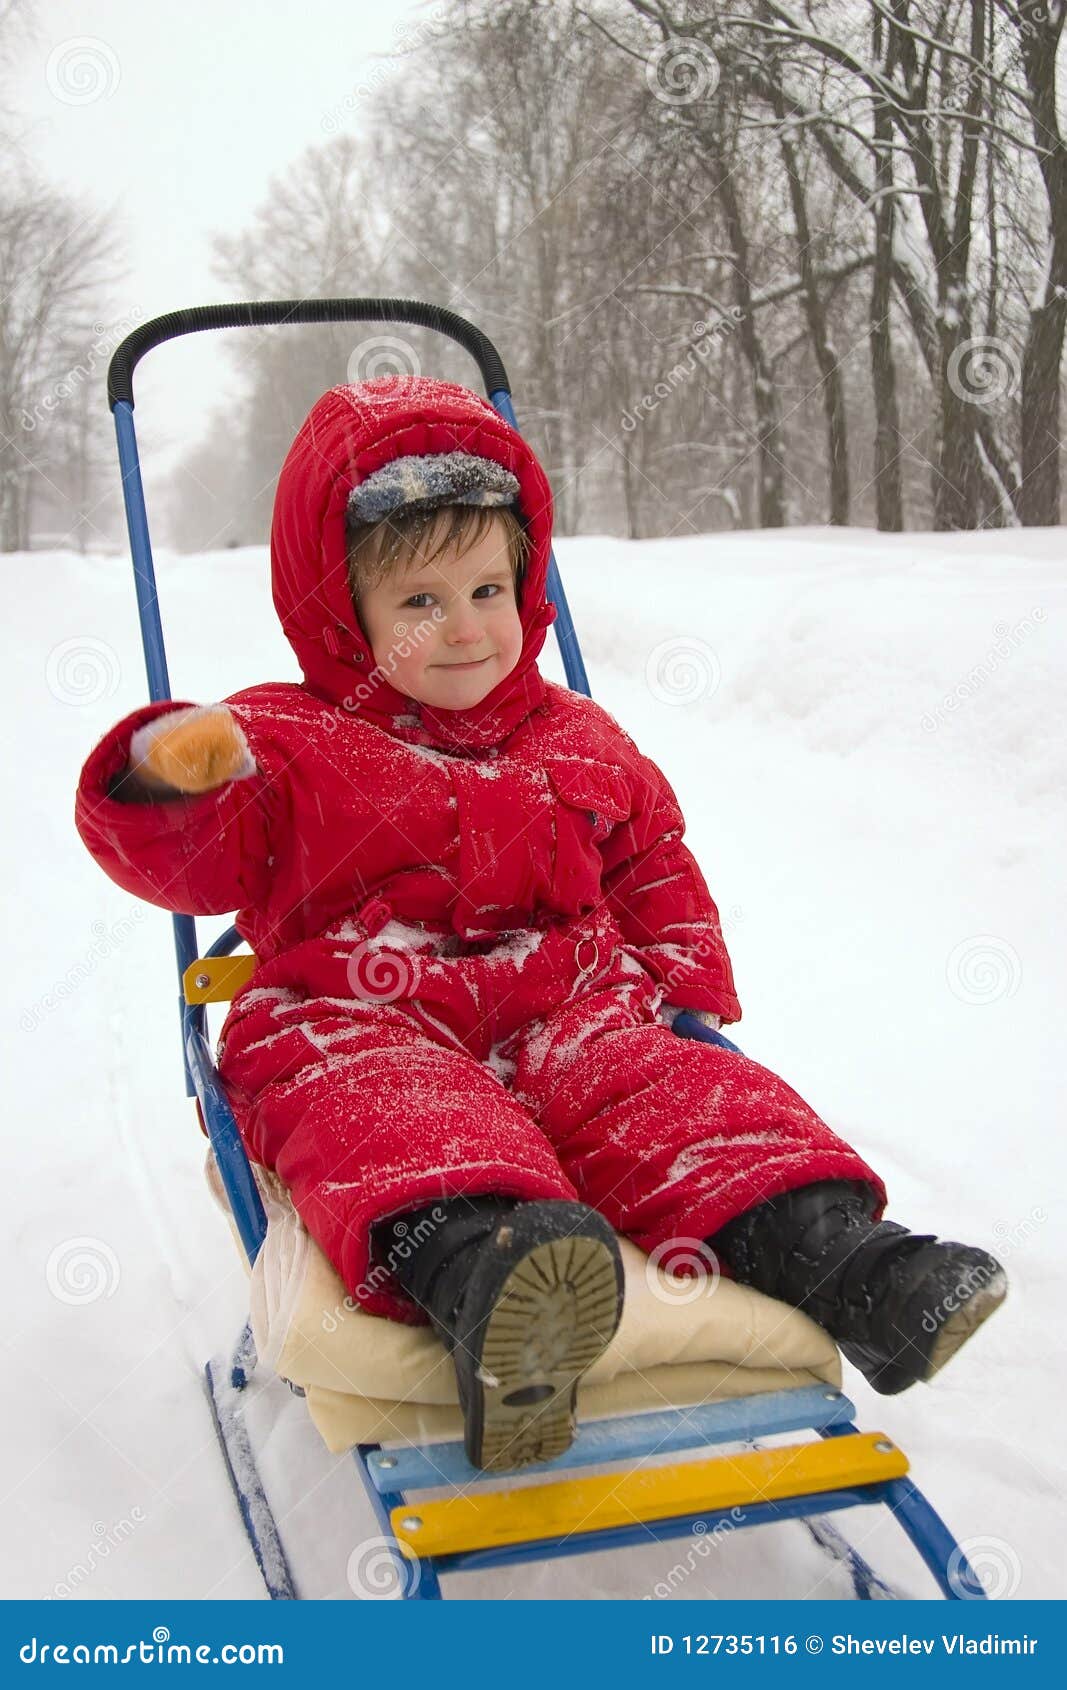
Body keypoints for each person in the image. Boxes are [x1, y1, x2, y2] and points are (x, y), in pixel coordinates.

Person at [75, 376, 1006, 1472]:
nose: (467, 627)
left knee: (686, 1102)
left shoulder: (577, 735)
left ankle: (848, 1266)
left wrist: (682, 994)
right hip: (357, 1015)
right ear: (341, 615)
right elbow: (193, 858)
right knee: (396, 1121)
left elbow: (650, 859)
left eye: (487, 589)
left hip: (569, 1008)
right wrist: (171, 782)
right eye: (420, 603)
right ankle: (501, 1291)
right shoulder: (284, 738)